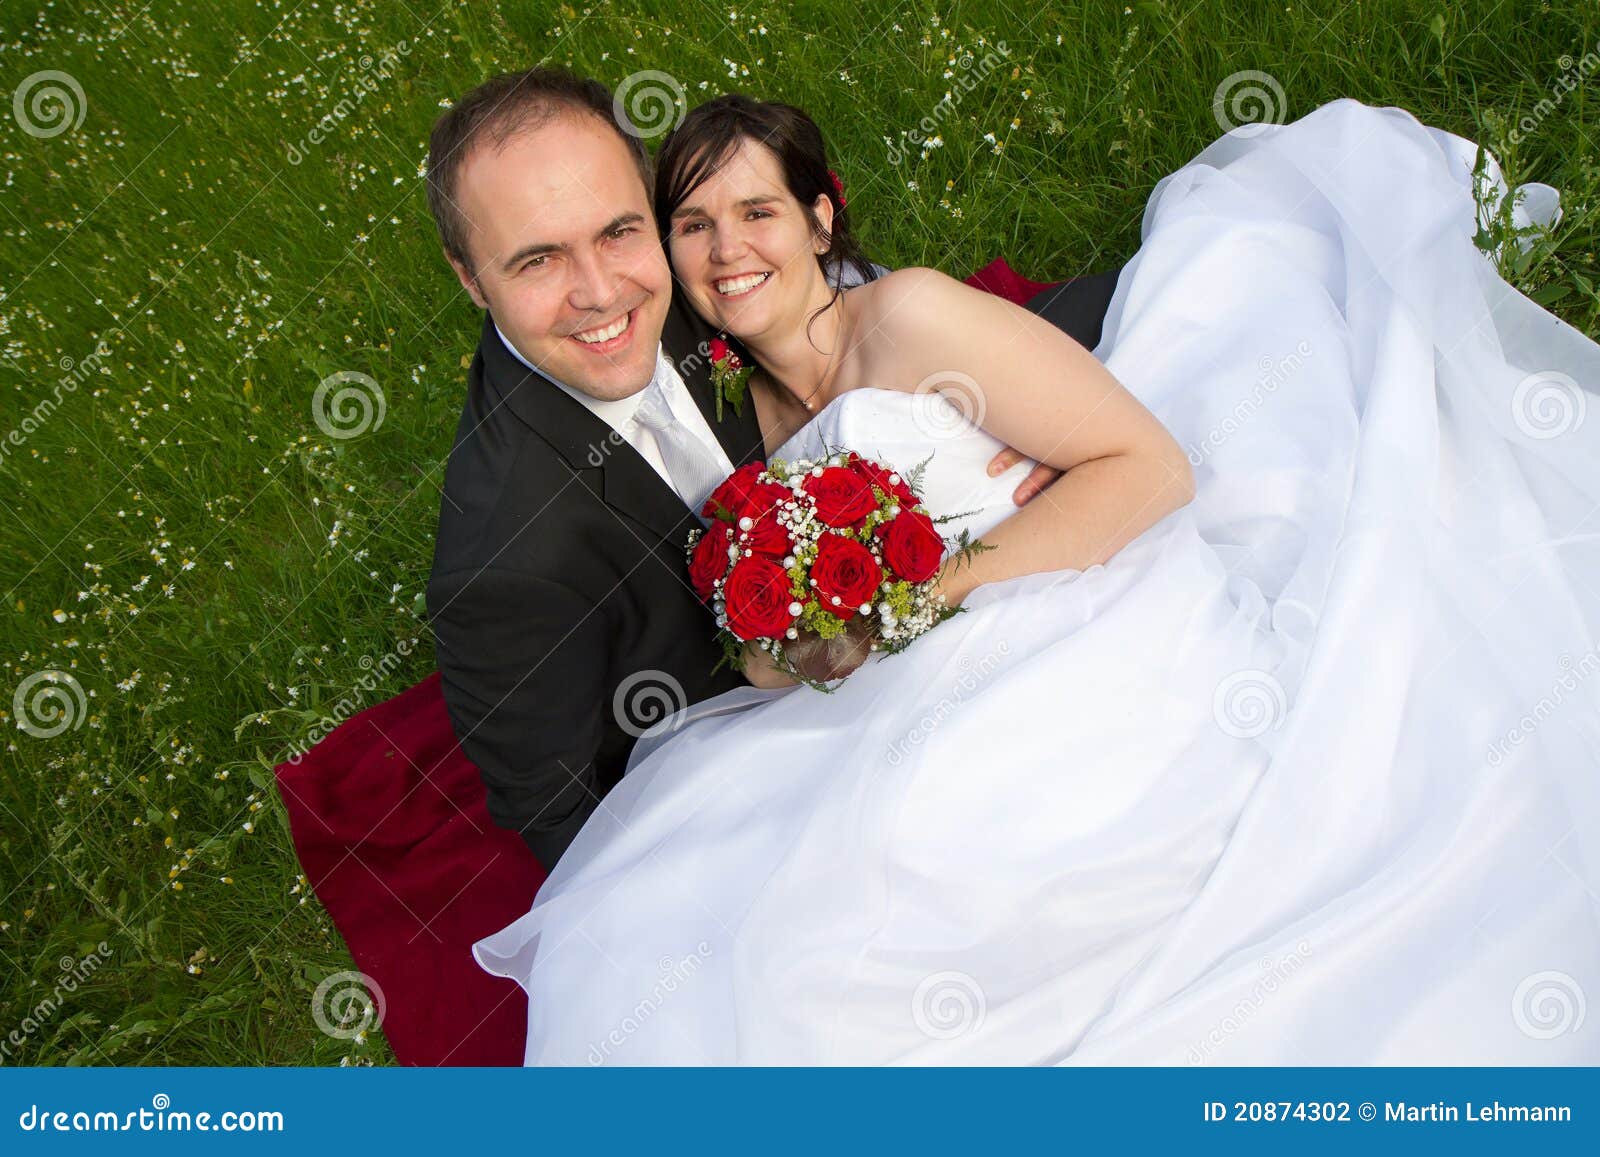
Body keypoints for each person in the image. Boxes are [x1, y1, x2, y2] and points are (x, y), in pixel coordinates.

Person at [472, 94, 1600, 1065]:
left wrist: (934, 584)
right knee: (768, 908)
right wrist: (798, 643)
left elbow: (1150, 468)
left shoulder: (910, 315)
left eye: (758, 212)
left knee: (953, 843)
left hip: (1085, 608)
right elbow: (778, 653)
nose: (725, 253)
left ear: (822, 216)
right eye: (694, 226)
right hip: (896, 679)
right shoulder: (744, 412)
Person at [422, 68, 1123, 870]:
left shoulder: (701, 277)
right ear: (469, 277)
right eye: (538, 260)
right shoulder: (504, 567)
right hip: (770, 785)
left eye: (618, 231)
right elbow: (560, 823)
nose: (600, 292)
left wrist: (982, 427)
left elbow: (836, 324)